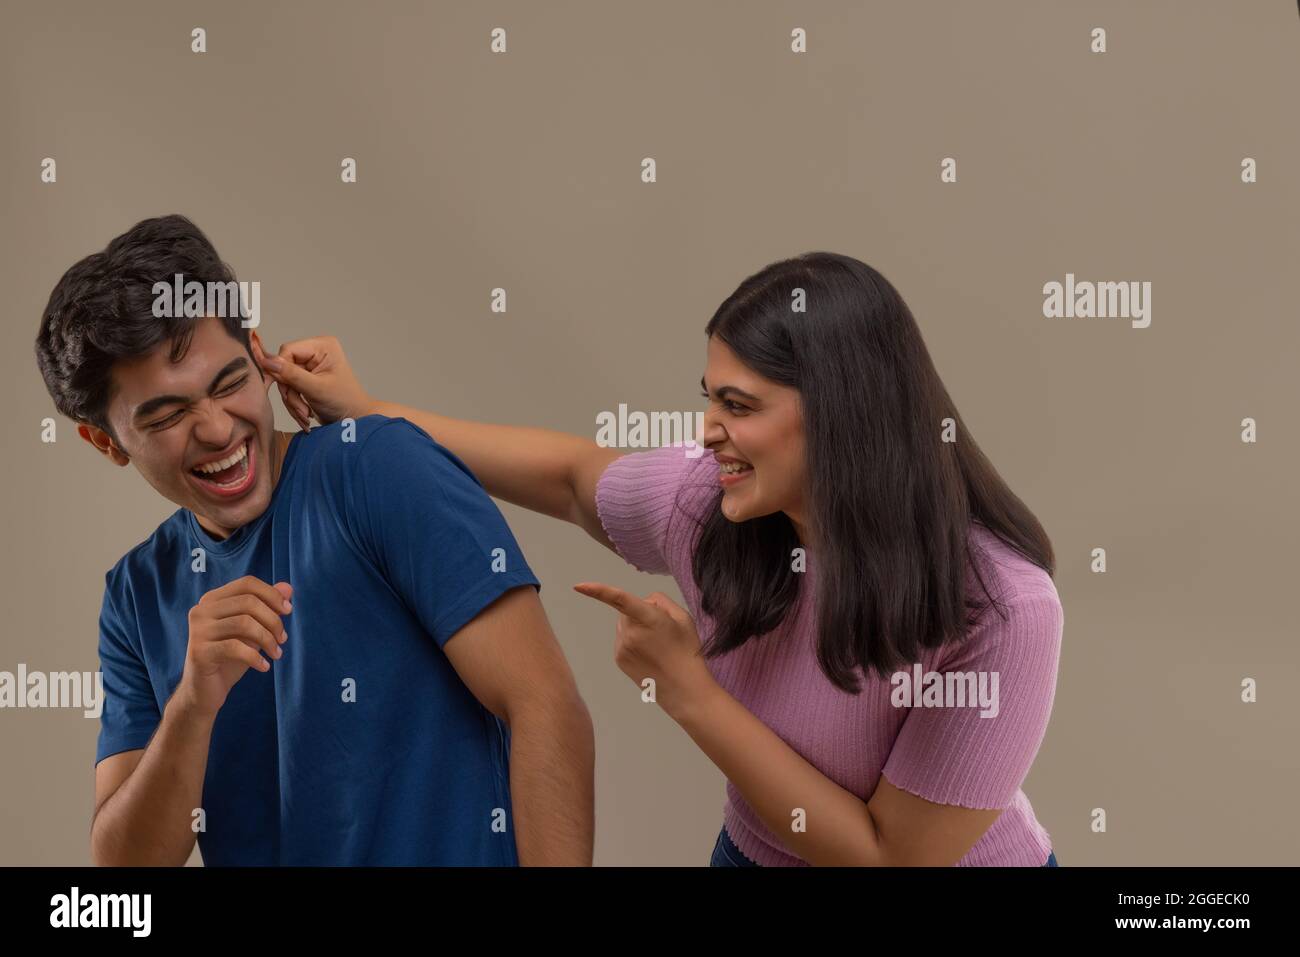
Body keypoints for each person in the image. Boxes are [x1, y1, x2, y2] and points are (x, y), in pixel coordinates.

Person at [255, 251, 1065, 866]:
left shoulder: (1001, 609)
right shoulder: (707, 503)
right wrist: (368, 412)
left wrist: (690, 692)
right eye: (709, 396)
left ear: (842, 420)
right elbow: (573, 478)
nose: (707, 428)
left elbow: (890, 855)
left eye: (738, 405)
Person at [34, 214, 594, 865]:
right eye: (169, 414)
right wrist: (191, 704)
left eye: (231, 382)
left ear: (258, 350)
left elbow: (545, 704)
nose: (217, 429)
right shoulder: (136, 594)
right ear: (106, 441)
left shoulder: (379, 469)